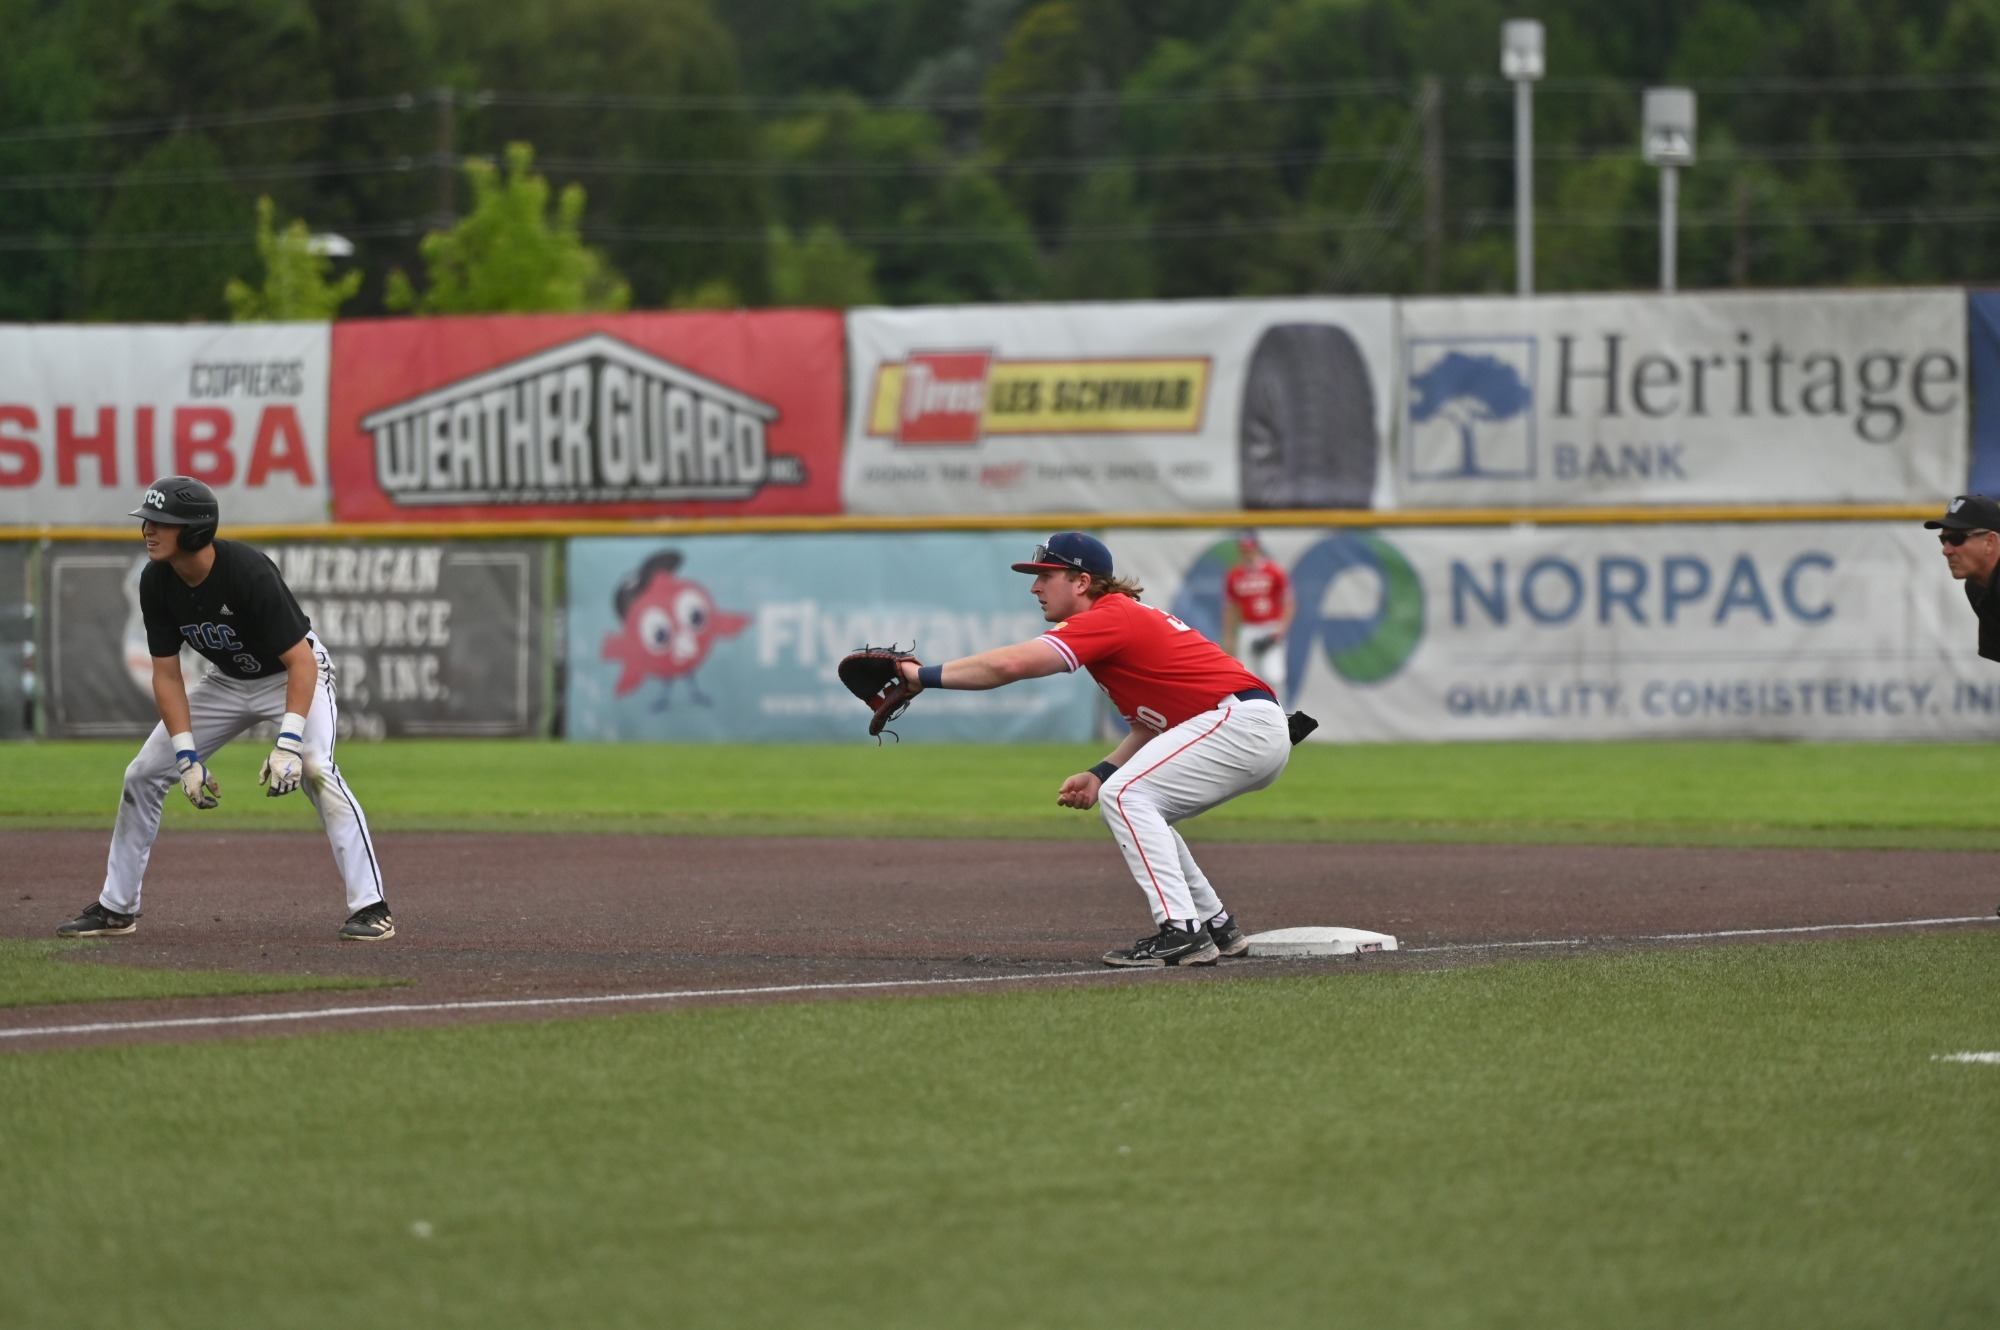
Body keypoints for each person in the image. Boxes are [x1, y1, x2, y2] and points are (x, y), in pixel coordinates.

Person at [895, 531, 1291, 966]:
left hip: (1239, 723)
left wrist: (921, 675)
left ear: (1081, 582)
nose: (1035, 587)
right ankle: (1215, 924)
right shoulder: (1118, 625)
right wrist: (1100, 772)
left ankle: (1182, 932)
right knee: (1138, 802)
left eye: (1046, 575)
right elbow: (1147, 727)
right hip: (1246, 726)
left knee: (1127, 797)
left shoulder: (1109, 616)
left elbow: (1008, 665)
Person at [55, 477, 393, 942]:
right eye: (147, 521)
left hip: (291, 676)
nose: (148, 530)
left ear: (194, 531)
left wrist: (288, 743)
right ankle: (116, 908)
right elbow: (168, 675)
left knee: (315, 768)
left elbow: (300, 662)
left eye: (161, 523)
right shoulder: (155, 580)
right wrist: (186, 756)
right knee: (142, 773)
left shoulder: (247, 571)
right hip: (228, 682)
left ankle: (372, 906)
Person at [1924, 493, 2000, 920]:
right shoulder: (1980, 588)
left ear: (1991, 541)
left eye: (1956, 538)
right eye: (1943, 539)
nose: (1946, 549)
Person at [1222, 531, 1294, 695]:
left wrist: (1280, 629)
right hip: (1248, 627)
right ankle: (1254, 717)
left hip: (1271, 627)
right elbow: (1231, 608)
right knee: (1248, 676)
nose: (1247, 554)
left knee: (1274, 675)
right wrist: (1229, 636)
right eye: (1244, 550)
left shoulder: (1274, 571)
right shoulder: (1235, 575)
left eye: (1250, 549)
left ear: (1257, 548)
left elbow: (1289, 603)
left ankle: (1280, 714)